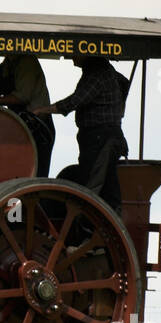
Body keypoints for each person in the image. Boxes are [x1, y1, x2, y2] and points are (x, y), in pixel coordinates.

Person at [33, 57, 129, 213]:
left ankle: (88, 225)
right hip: (98, 138)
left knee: (92, 186)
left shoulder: (97, 74)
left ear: (88, 53)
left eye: (74, 52)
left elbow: (75, 101)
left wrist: (42, 110)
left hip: (101, 139)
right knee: (93, 180)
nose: (71, 57)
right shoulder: (103, 71)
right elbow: (124, 82)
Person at [0, 54, 55, 176]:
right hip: (19, 127)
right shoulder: (7, 64)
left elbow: (22, 97)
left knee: (35, 174)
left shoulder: (27, 62)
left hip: (38, 127)